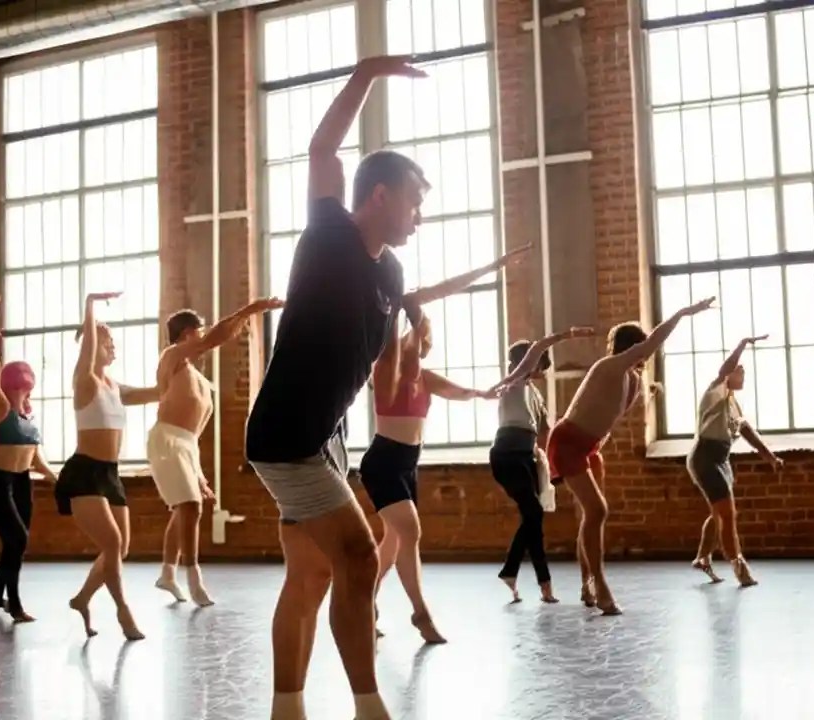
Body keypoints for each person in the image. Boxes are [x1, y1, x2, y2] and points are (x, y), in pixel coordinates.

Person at [245, 54, 484, 720]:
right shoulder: (328, 235)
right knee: (356, 553)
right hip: (285, 436)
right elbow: (322, 147)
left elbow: (381, 358)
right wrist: (367, 74)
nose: (418, 215)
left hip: (328, 441)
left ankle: (285, 706)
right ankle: (368, 705)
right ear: (378, 195)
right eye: (414, 201)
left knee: (312, 574)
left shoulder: (392, 275)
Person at [500, 297, 714, 614]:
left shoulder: (633, 380)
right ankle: (601, 587)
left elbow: (609, 410)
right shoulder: (609, 365)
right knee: (597, 510)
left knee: (592, 516)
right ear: (631, 348)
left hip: (589, 446)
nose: (647, 354)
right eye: (641, 348)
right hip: (569, 441)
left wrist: (650, 391)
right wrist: (682, 314)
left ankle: (587, 584)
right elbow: (652, 342)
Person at [361, 312, 512, 644]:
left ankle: (363, 603)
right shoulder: (387, 370)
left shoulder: (424, 378)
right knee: (410, 531)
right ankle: (420, 612)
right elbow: (410, 341)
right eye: (420, 340)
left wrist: (482, 393)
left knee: (394, 540)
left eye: (427, 340)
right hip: (382, 462)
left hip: (406, 464)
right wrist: (412, 315)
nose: (424, 345)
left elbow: (457, 392)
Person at [148, 297, 283, 606]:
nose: (203, 336)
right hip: (167, 440)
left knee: (184, 509)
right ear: (187, 333)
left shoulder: (197, 377)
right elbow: (215, 338)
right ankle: (193, 577)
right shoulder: (172, 357)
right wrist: (249, 309)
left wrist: (197, 472)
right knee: (191, 507)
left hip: (186, 445)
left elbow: (193, 433)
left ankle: (168, 574)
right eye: (199, 331)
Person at [57, 291, 159, 641]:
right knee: (113, 543)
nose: (113, 346)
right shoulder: (84, 381)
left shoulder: (115, 387)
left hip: (109, 475)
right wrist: (89, 305)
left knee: (120, 548)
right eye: (107, 341)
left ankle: (82, 599)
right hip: (84, 473)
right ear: (91, 343)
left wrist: (183, 359)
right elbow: (87, 355)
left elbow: (158, 391)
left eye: (114, 341)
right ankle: (123, 611)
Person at [488, 330, 591, 604]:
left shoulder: (535, 395)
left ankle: (524, 578)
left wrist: (555, 467)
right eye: (541, 364)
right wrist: (566, 335)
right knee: (533, 513)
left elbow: (546, 432)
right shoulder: (512, 383)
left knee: (533, 518)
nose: (544, 370)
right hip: (507, 454)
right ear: (528, 364)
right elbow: (533, 353)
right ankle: (531, 579)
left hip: (527, 456)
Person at [0, 297, 57, 623]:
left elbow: (38, 461)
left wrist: (59, 480)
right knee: (17, 538)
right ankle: (15, 605)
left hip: (21, 482)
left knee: (15, 542)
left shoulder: (30, 419)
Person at [686, 334, 783, 587]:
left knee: (719, 513)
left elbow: (746, 430)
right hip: (705, 457)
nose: (742, 374)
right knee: (728, 514)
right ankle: (739, 566)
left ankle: (703, 557)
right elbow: (726, 368)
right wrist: (742, 344)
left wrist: (769, 456)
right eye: (739, 371)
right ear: (729, 375)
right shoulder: (715, 393)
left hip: (722, 459)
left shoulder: (733, 405)